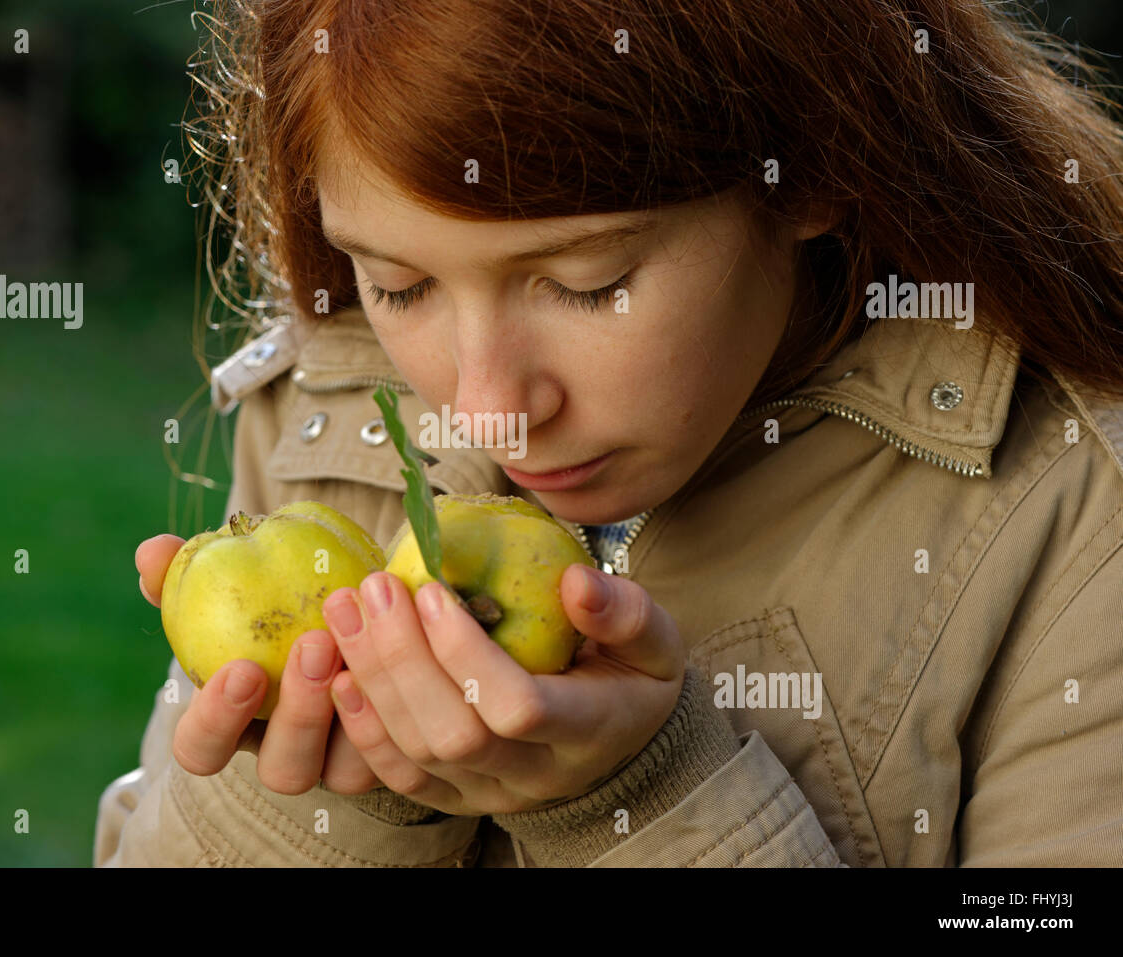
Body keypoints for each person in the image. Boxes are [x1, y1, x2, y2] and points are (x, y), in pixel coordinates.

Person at [95, 0, 1123, 866]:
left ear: (808, 167)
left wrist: (637, 800)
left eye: (588, 285)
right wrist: (325, 798)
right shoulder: (319, 413)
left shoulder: (1076, 515)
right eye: (398, 285)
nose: (488, 406)